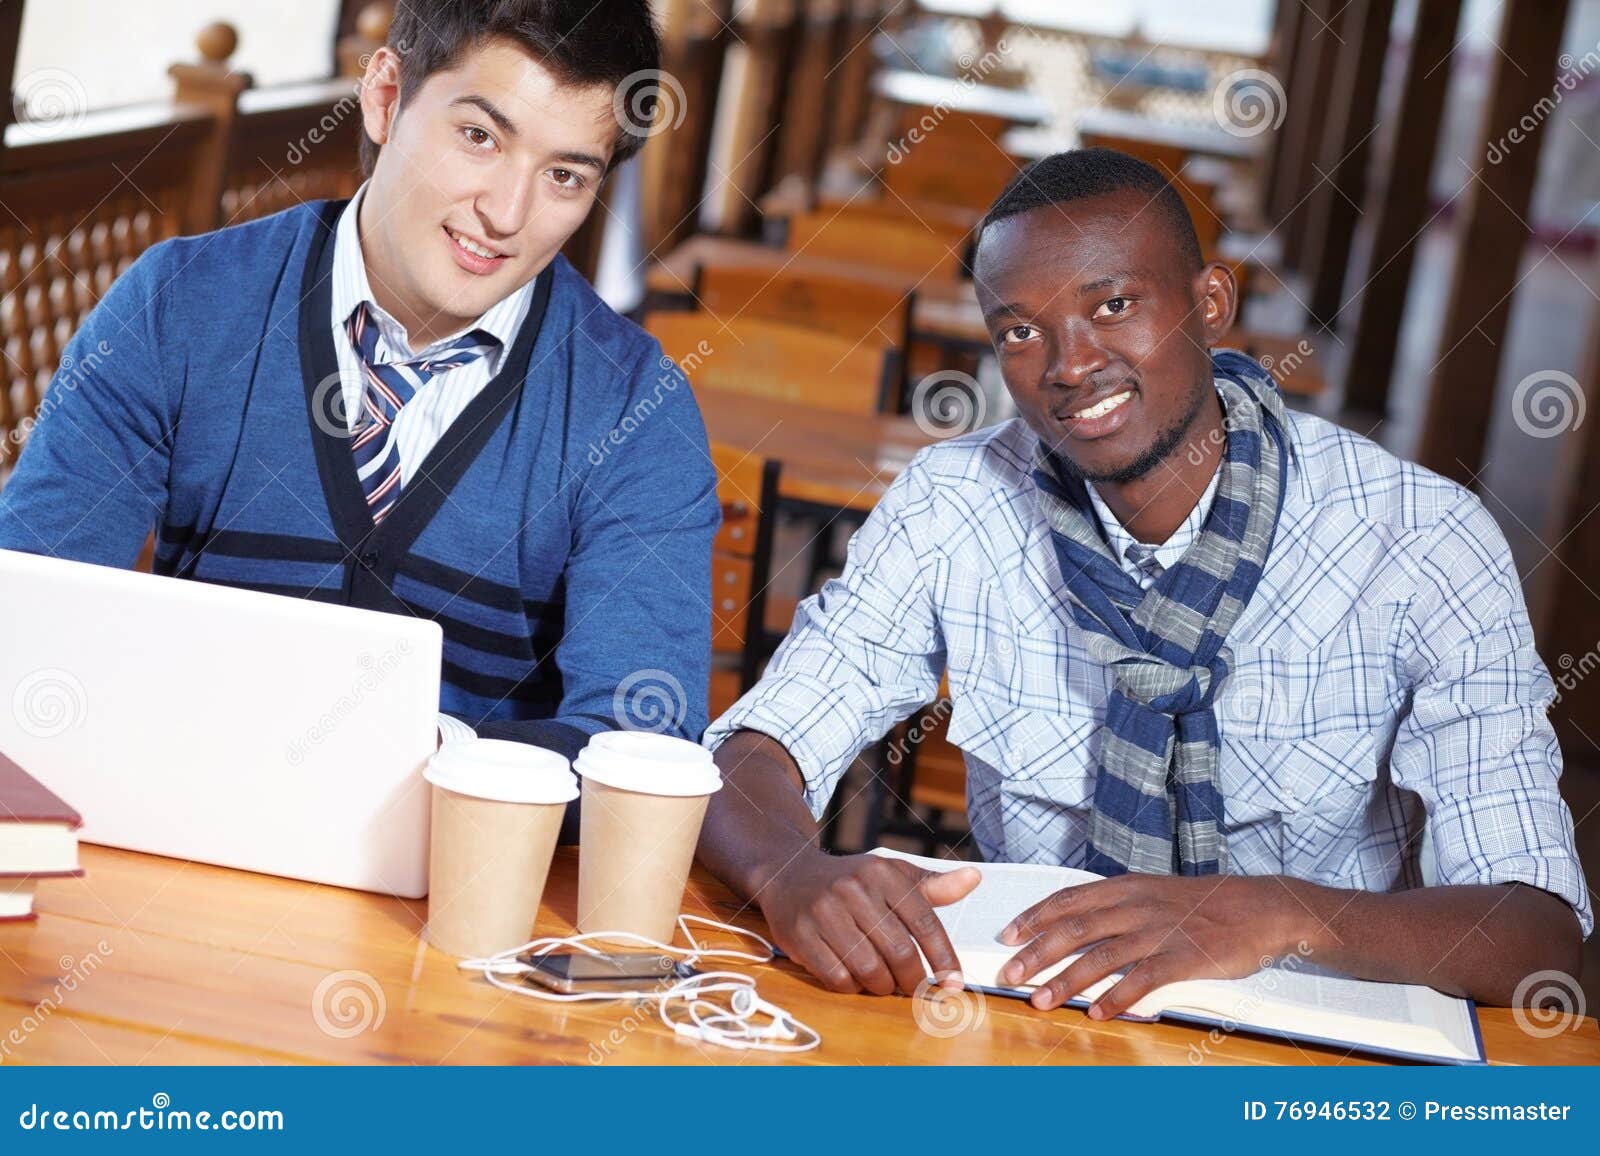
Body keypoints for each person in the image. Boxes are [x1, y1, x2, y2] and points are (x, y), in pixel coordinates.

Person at [698, 148, 1590, 1019]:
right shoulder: (954, 504)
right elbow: (756, 748)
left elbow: (1536, 933)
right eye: (1019, 331)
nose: (1068, 366)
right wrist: (791, 871)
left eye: (1114, 305)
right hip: (1037, 1021)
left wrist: (1282, 913)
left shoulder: (1423, 541)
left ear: (1211, 304)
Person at [0, 1, 717, 763]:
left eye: (565, 176)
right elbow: (30, 612)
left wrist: (400, 773)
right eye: (479, 137)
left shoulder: (639, 409)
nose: (506, 214)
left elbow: (639, 746)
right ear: (384, 97)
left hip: (459, 870)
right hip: (177, 834)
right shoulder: (180, 306)